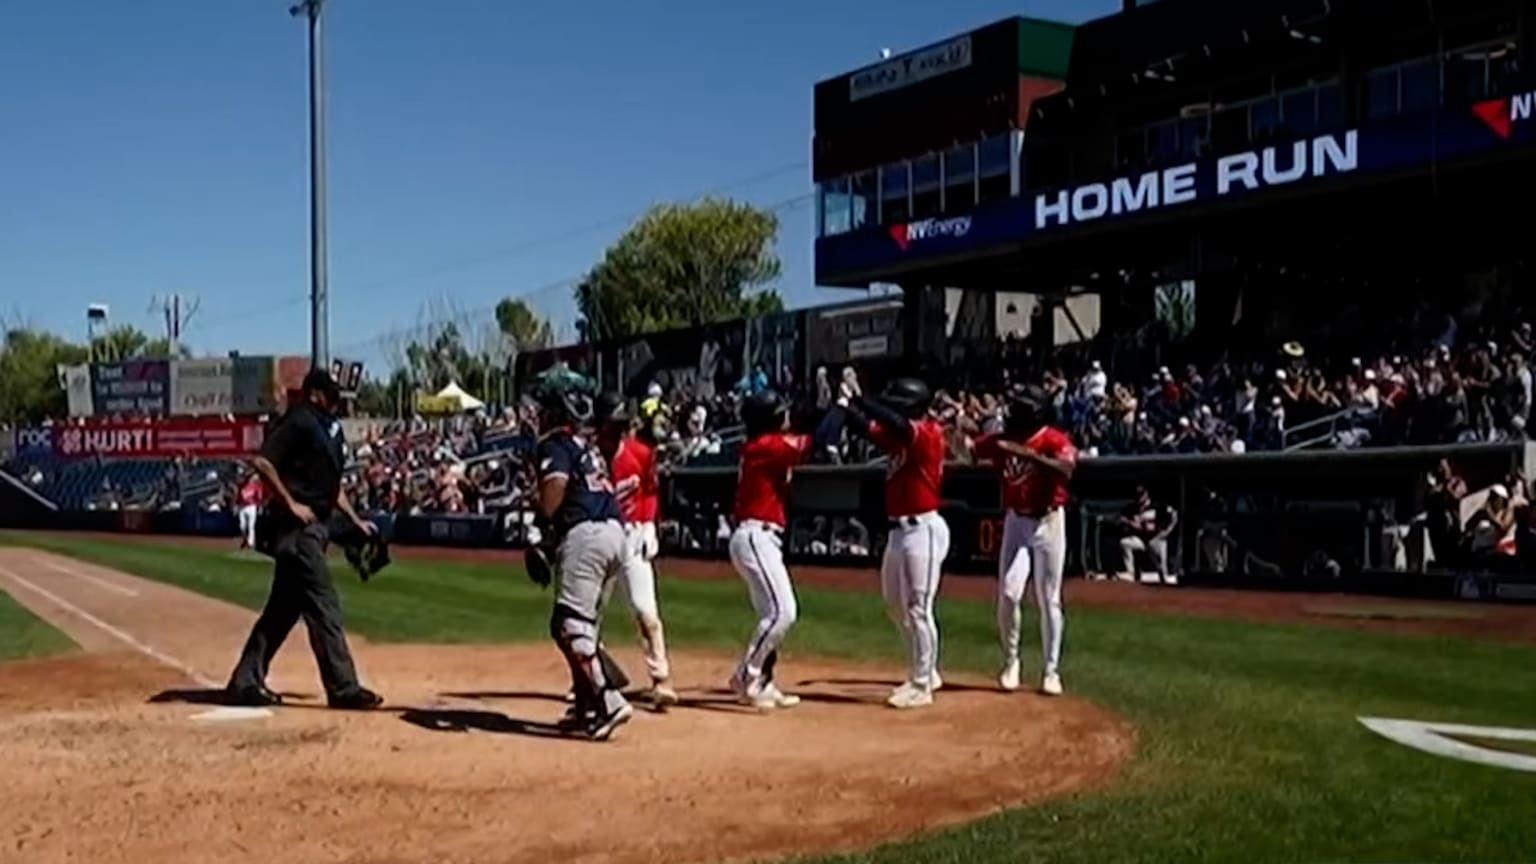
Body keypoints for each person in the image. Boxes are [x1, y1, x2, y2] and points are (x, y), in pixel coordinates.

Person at [226, 369, 382, 710]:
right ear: (315, 393)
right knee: (324, 605)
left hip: (315, 529)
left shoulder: (328, 430)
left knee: (281, 611)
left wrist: (356, 521)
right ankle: (343, 688)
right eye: (330, 394)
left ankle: (245, 680)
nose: (335, 400)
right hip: (297, 532)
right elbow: (264, 461)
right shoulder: (299, 421)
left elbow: (332, 486)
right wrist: (291, 503)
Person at [533, 381, 633, 741]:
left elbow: (552, 499)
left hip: (586, 534)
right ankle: (587, 706)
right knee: (583, 626)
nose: (541, 414)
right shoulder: (586, 445)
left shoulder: (556, 444)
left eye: (546, 409)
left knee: (567, 623)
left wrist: (534, 516)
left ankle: (610, 700)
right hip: (615, 532)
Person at [841, 375, 949, 709]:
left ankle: (923, 681)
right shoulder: (901, 434)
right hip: (899, 532)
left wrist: (863, 395)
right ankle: (922, 667)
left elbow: (891, 420)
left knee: (919, 607)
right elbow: (864, 426)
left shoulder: (928, 432)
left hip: (924, 529)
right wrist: (844, 402)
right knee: (894, 604)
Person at [972, 385, 1076, 696]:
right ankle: (1011, 661)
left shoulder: (1053, 438)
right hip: (1017, 520)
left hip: (1049, 521)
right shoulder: (1003, 439)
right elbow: (970, 450)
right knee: (1008, 592)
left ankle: (1050, 671)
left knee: (1049, 598)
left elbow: (1067, 468)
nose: (1012, 413)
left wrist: (1031, 455)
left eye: (1019, 408)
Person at [727, 390, 811, 710]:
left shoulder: (765, 444)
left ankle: (763, 681)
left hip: (761, 535)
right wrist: (840, 406)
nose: (786, 416)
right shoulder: (766, 445)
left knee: (770, 614)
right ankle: (745, 675)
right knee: (782, 612)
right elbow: (816, 440)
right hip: (755, 535)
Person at [594, 394, 676, 705]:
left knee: (646, 611)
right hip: (599, 537)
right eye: (610, 426)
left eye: (620, 426)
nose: (616, 432)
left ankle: (661, 678)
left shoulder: (641, 453)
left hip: (631, 536)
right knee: (588, 617)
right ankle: (590, 676)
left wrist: (648, 524)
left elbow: (651, 490)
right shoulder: (591, 457)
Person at [1117, 486, 1179, 584]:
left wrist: (1166, 532)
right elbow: (1122, 519)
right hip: (1140, 540)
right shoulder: (1131, 508)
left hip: (1156, 539)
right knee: (1124, 543)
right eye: (1137, 495)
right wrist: (1128, 523)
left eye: (1141, 495)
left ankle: (1165, 578)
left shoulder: (1157, 506)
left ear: (1146, 494)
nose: (1139, 498)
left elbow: (1174, 515)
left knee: (1162, 570)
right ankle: (1130, 573)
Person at [236, 471, 265, 550]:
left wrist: (259, 506)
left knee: (251, 526)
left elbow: (259, 497)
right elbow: (238, 496)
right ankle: (245, 539)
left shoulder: (256, 486)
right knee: (242, 526)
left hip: (252, 507)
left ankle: (250, 543)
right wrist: (236, 505)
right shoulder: (241, 486)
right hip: (242, 506)